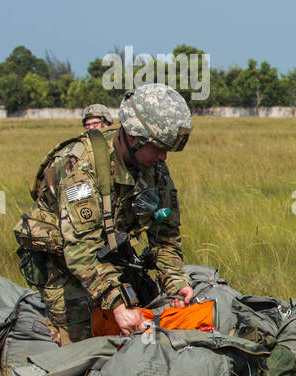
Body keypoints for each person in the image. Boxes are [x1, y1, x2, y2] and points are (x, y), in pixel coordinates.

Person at [14, 83, 194, 350]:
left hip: (106, 255)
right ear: (134, 137)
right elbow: (80, 250)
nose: (163, 156)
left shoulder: (154, 169)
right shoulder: (81, 167)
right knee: (81, 353)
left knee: (131, 339)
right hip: (63, 264)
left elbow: (165, 236)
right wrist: (117, 303)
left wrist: (174, 280)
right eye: (157, 146)